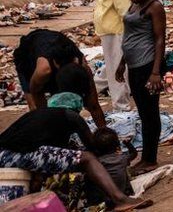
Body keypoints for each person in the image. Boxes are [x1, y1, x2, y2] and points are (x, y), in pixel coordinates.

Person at [0, 79, 150, 210]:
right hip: (20, 154)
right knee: (87, 158)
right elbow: (93, 147)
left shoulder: (39, 116)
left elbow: (46, 154)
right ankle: (120, 200)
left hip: (6, 155)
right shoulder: (70, 116)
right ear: (76, 108)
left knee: (42, 175)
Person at [113, 0, 165, 172]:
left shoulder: (154, 7)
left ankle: (150, 158)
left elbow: (159, 39)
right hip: (134, 65)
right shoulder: (135, 5)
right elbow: (129, 36)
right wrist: (122, 62)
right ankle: (147, 157)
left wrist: (155, 72)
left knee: (150, 112)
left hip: (147, 64)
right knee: (143, 112)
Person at [14, 29, 106, 127]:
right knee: (37, 112)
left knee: (73, 105)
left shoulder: (82, 66)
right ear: (55, 64)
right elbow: (35, 93)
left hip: (54, 44)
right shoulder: (44, 70)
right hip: (27, 58)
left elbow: (94, 105)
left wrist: (103, 131)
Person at [95, 0, 143, 111]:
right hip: (116, 25)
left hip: (110, 23)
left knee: (113, 65)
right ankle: (121, 109)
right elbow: (123, 2)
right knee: (118, 70)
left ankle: (89, 90)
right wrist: (138, 24)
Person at [86, 128, 137, 203]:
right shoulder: (122, 158)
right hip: (122, 193)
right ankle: (128, 191)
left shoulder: (96, 163)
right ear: (117, 145)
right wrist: (127, 144)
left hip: (103, 198)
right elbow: (133, 154)